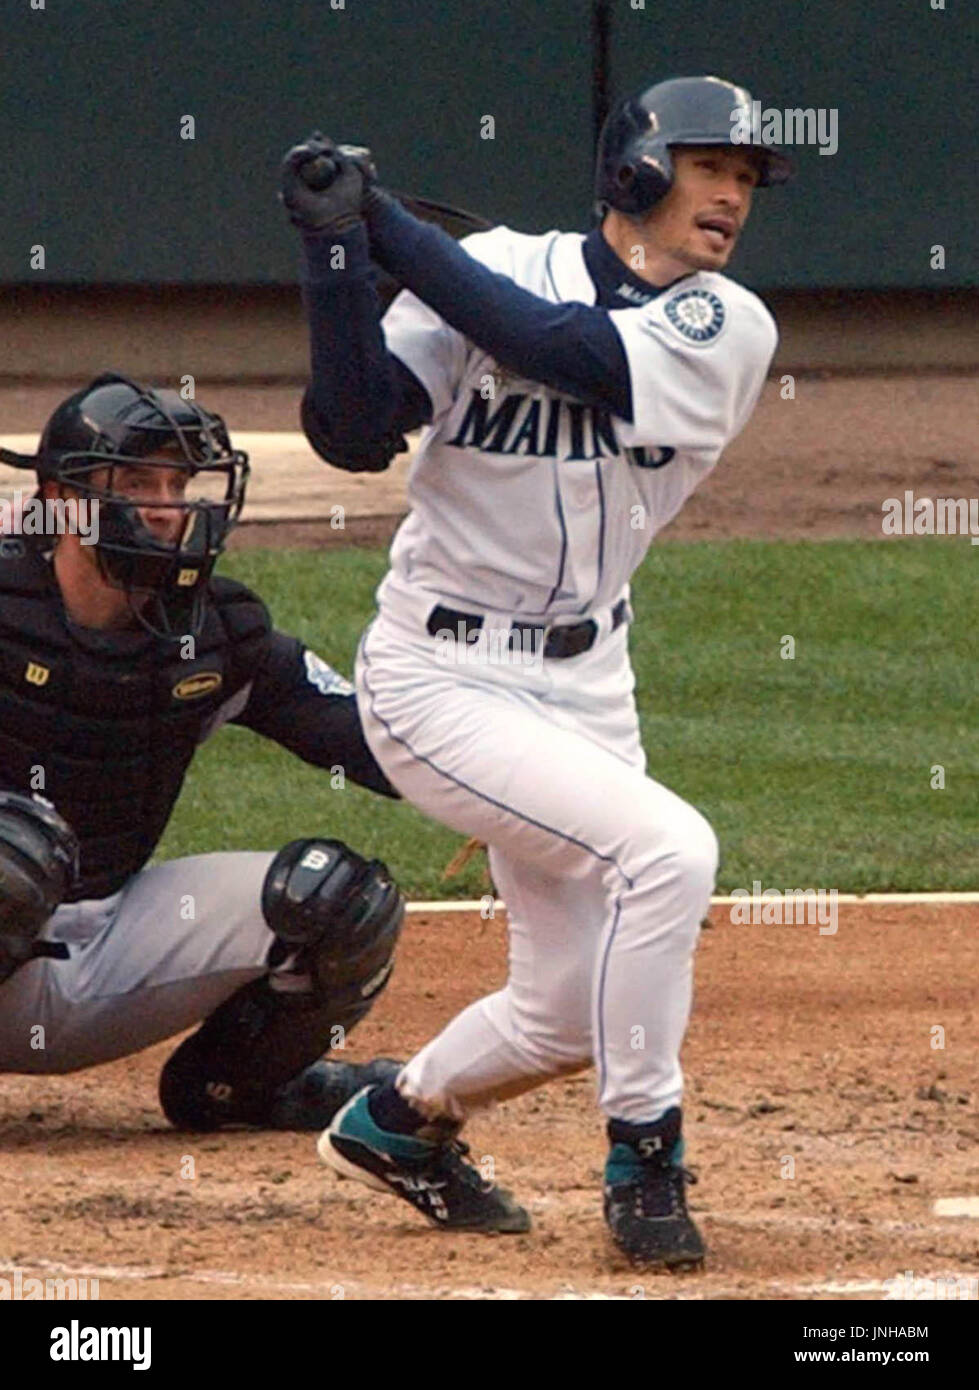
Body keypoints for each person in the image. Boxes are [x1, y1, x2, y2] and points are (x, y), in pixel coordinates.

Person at [279, 75, 792, 1263]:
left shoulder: (728, 325)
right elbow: (352, 428)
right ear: (636, 171)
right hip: (434, 678)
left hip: (586, 680)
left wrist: (391, 230)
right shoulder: (499, 260)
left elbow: (562, 349)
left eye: (747, 179)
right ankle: (646, 1154)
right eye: (710, 167)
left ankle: (400, 1121)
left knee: (567, 1009)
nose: (731, 197)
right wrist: (333, 253)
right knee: (669, 850)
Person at [0, 373, 403, 1130]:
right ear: (58, 498)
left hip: (99, 951)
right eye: (133, 481)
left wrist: (508, 786)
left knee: (338, 902)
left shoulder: (217, 633)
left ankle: (241, 1086)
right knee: (13, 854)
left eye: (177, 483)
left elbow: (376, 741)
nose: (163, 506)